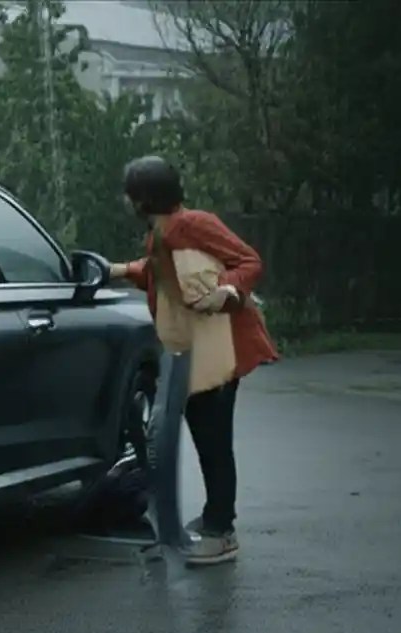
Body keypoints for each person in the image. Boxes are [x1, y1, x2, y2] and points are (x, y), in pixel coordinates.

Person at [110, 156, 279, 566]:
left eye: (130, 194)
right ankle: (215, 517)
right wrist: (115, 270)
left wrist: (226, 289)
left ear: (143, 199)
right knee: (206, 439)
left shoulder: (194, 224)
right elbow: (159, 273)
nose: (125, 201)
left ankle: (222, 531)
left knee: (214, 440)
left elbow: (250, 261)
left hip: (220, 345)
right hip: (192, 347)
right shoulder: (162, 233)